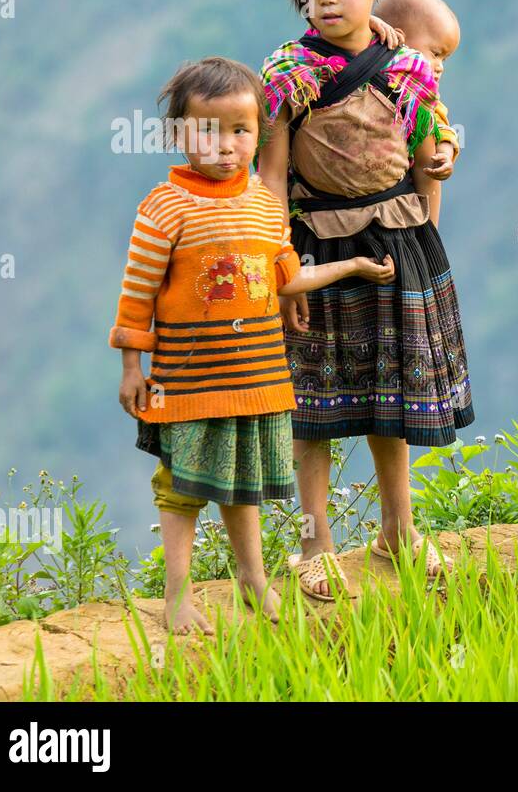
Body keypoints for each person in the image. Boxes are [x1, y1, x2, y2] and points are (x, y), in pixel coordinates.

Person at [112, 56, 396, 632]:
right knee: (181, 488)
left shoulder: (267, 206)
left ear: (258, 133)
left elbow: (287, 277)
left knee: (242, 486)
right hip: (189, 381)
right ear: (177, 136)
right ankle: (177, 597)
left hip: (258, 379)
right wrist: (131, 367)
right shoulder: (164, 209)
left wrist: (352, 269)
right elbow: (137, 294)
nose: (226, 147)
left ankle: (253, 578)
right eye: (208, 132)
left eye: (241, 132)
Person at [256, 0, 474, 598]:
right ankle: (313, 543)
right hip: (314, 248)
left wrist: (429, 249)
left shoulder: (410, 71)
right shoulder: (287, 75)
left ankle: (399, 529)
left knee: (393, 402)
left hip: (399, 246)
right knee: (311, 406)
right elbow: (271, 175)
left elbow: (426, 164)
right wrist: (278, 269)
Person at [374, 0, 461, 225]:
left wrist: (444, 152)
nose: (440, 66)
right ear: (399, 38)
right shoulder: (364, 76)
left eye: (445, 58)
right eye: (435, 53)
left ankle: (430, 244)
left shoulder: (421, 98)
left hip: (403, 205)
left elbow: (440, 124)